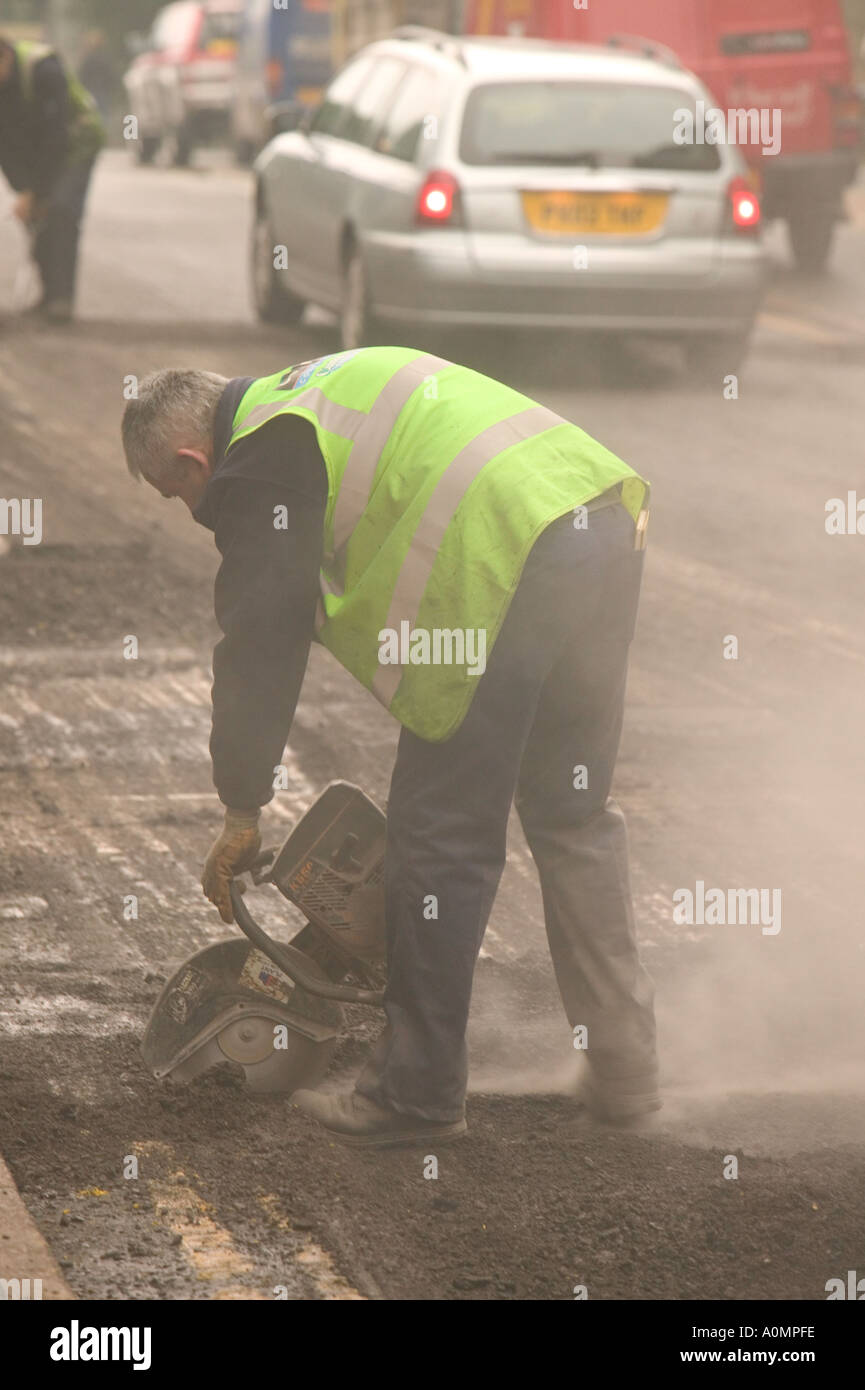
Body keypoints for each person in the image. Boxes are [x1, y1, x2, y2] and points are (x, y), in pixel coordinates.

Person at [121, 347, 660, 1147]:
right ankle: (623, 1069)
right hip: (597, 521)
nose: (198, 511)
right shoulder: (314, 392)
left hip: (506, 559)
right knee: (570, 811)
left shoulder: (259, 458)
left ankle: (414, 1096)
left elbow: (260, 640)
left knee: (441, 834)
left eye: (181, 495)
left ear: (192, 459)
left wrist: (242, 805)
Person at [0, 33, 104, 321]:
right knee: (35, 216)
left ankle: (62, 299)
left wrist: (38, 190)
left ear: (5, 57)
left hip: (76, 142)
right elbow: (4, 146)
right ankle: (48, 295)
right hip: (35, 148)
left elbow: (55, 136)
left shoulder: (44, 69)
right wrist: (24, 190)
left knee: (60, 209)